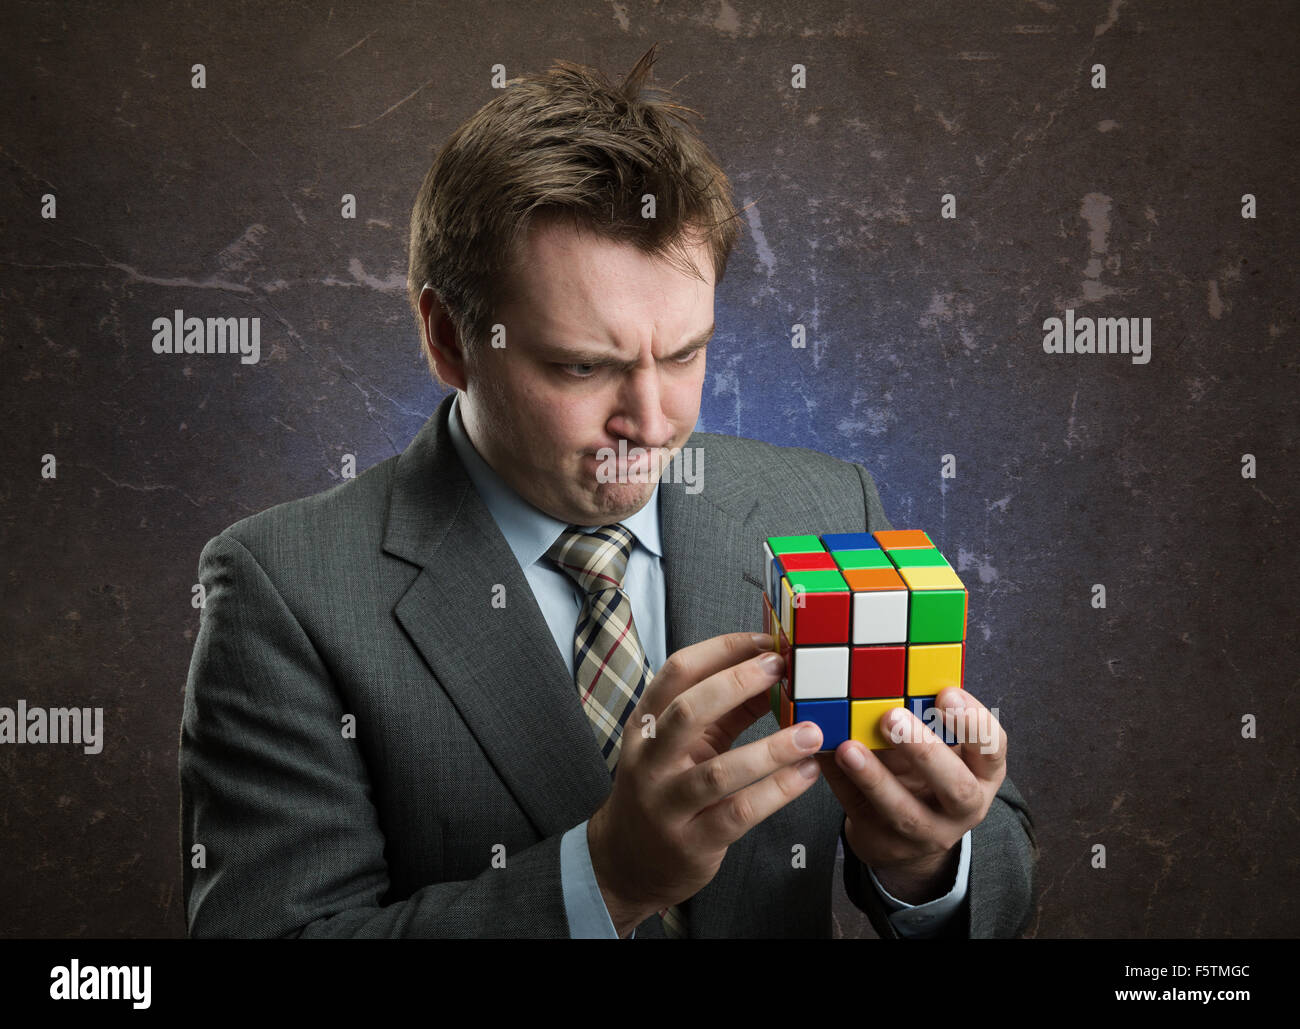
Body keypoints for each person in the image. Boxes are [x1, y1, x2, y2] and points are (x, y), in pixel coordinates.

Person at [180, 44, 1036, 939]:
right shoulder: (284, 590)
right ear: (448, 339)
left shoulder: (824, 512)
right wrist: (605, 880)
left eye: (684, 354)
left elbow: (995, 865)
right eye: (584, 365)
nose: (655, 421)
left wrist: (927, 859)